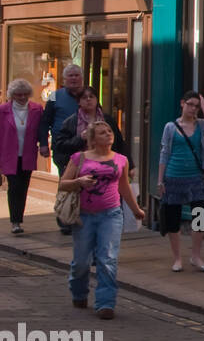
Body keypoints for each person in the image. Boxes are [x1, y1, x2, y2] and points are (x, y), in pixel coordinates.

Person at [59, 120, 146, 320]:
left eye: (109, 131)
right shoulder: (79, 158)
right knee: (82, 261)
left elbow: (123, 187)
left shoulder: (121, 160)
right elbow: (63, 184)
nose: (108, 134)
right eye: (102, 133)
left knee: (107, 259)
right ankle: (79, 292)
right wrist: (78, 181)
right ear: (92, 139)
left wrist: (135, 210)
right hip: (84, 216)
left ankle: (105, 303)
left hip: (111, 214)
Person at [158, 91, 204, 272]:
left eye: (196, 106)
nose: (193, 108)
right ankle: (177, 258)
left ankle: (196, 256)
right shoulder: (170, 127)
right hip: (174, 177)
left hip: (195, 179)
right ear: (182, 103)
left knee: (199, 217)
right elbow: (164, 152)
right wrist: (161, 180)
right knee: (173, 219)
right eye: (190, 104)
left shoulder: (200, 125)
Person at [37, 64, 86, 234]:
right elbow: (44, 121)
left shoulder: (88, 95)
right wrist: (43, 143)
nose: (73, 78)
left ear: (81, 77)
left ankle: (80, 217)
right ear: (64, 79)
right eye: (70, 76)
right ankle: (64, 219)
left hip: (84, 148)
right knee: (65, 182)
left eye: (76, 75)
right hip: (63, 147)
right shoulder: (54, 96)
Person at [0, 79, 43, 235]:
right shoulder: (3, 110)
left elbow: (41, 130)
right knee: (14, 187)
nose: (22, 97)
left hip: (27, 154)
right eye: (18, 95)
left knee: (23, 187)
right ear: (12, 95)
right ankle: (15, 222)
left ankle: (19, 218)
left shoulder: (37, 109)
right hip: (8, 155)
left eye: (25, 94)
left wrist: (44, 144)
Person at [52, 89, 129, 172]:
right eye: (84, 97)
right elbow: (61, 145)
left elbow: (119, 142)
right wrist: (80, 138)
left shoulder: (107, 120)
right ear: (79, 102)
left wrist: (130, 166)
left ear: (96, 100)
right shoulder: (71, 121)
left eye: (91, 97)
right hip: (79, 168)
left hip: (107, 166)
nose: (88, 99)